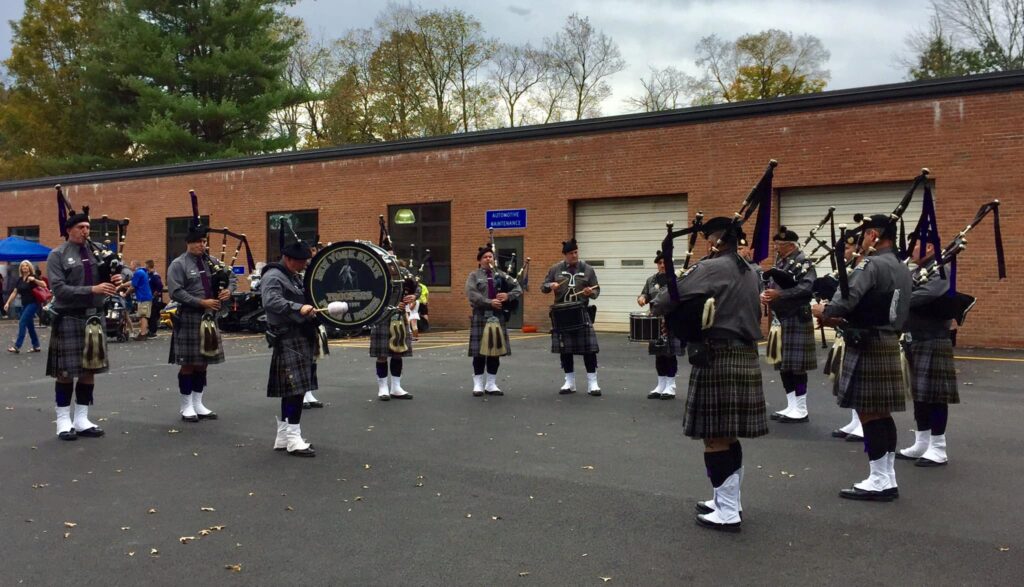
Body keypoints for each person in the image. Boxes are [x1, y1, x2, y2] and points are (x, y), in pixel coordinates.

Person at [650, 217, 766, 532]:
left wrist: (659, 306)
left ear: (716, 239)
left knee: (714, 437)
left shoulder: (711, 268)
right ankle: (727, 500)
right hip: (744, 353)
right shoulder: (751, 269)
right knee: (728, 435)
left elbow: (669, 298)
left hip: (718, 356)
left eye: (708, 239)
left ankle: (727, 512)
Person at [812, 214, 912, 502]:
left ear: (873, 235)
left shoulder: (872, 264)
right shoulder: (901, 267)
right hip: (889, 340)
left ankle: (879, 479)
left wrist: (825, 310)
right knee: (881, 413)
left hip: (868, 342)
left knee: (869, 412)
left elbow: (848, 298)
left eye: (866, 234)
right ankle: (886, 476)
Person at [45, 207, 123, 440]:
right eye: (80, 227)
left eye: (88, 227)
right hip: (69, 316)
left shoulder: (98, 252)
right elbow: (58, 289)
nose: (85, 231)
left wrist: (118, 277)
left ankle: (81, 419)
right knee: (66, 371)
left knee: (89, 370)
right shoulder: (57, 255)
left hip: (94, 316)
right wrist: (93, 289)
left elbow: (118, 272)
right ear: (69, 230)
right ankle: (62, 420)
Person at [896, 242, 957, 467]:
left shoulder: (941, 270)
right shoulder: (916, 272)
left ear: (930, 247)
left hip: (934, 338)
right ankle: (922, 442)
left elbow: (925, 295)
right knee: (920, 393)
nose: (910, 250)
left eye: (916, 245)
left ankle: (939, 447)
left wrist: (898, 298)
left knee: (935, 394)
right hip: (915, 338)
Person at [261, 238, 319, 457]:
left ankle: (285, 436)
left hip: (299, 335)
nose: (304, 264)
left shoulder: (293, 275)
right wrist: (299, 307)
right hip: (288, 336)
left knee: (294, 389)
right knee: (295, 390)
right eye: (301, 261)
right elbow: (270, 301)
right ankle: (294, 438)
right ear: (288, 259)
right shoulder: (273, 276)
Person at [167, 224, 231, 422]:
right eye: (198, 242)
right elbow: (175, 291)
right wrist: (200, 302)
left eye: (204, 242)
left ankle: (198, 403)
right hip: (189, 317)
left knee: (203, 363)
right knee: (188, 364)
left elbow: (232, 277)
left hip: (209, 318)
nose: (202, 245)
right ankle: (186, 405)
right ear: (188, 243)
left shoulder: (211, 262)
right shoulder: (179, 264)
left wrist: (228, 290)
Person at [762, 227, 818, 423]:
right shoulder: (782, 261)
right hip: (781, 318)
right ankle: (791, 405)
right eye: (776, 244)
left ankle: (801, 408)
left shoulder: (804, 262)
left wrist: (780, 295)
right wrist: (767, 294)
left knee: (797, 366)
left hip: (796, 317)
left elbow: (806, 288)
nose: (777, 248)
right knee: (784, 365)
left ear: (791, 245)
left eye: (780, 245)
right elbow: (773, 283)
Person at [541, 239, 602, 396]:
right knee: (565, 350)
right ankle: (570, 382)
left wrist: (590, 292)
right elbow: (543, 286)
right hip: (562, 313)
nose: (574, 255)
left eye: (576, 252)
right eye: (571, 253)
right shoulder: (556, 269)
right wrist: (550, 286)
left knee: (589, 349)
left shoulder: (587, 269)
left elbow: (597, 290)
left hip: (581, 312)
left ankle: (592, 383)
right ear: (565, 255)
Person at [466, 245, 523, 396]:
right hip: (481, 315)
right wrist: (487, 301)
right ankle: (478, 384)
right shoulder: (474, 276)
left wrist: (507, 296)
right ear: (479, 260)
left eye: (490, 256)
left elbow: (518, 287)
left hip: (497, 317)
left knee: (495, 351)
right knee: (479, 353)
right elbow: (471, 294)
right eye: (485, 257)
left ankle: (491, 384)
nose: (488, 259)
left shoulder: (501, 275)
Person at [636, 250, 683, 399]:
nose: (662, 265)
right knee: (659, 354)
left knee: (670, 354)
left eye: (665, 263)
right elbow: (645, 294)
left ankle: (671, 385)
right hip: (655, 321)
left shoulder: (677, 279)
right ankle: (661, 384)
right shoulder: (651, 280)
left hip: (672, 320)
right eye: (660, 263)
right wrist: (642, 298)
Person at [368, 267, 418, 401]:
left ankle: (396, 387)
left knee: (398, 353)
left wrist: (414, 296)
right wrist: (392, 305)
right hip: (381, 318)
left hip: (398, 318)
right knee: (382, 355)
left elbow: (416, 286)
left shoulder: (403, 272)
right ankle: (382, 388)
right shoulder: (375, 271)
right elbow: (368, 294)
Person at [4, 260, 42, 353]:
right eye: (23, 266)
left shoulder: (32, 277)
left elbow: (44, 285)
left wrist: (35, 280)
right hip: (25, 304)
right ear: (21, 268)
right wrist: (8, 303)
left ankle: (17, 346)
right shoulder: (20, 279)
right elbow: (15, 292)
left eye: (26, 266)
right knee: (30, 326)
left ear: (29, 267)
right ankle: (36, 346)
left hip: (33, 303)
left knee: (22, 322)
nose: (24, 267)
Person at [128, 260, 153, 341]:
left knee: (143, 316)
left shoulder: (138, 273)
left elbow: (132, 286)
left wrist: (125, 293)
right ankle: (144, 332)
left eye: (131, 264)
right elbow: (132, 282)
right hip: (146, 297)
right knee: (143, 315)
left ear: (135, 265)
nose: (129, 266)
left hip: (143, 297)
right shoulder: (142, 272)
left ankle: (143, 334)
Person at [146, 260, 164, 337]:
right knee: (149, 315)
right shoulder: (148, 275)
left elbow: (160, 285)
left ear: (148, 265)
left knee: (153, 315)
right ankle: (150, 330)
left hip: (154, 298)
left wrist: (155, 294)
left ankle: (153, 331)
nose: (145, 267)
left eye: (146, 265)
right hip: (149, 297)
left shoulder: (154, 275)